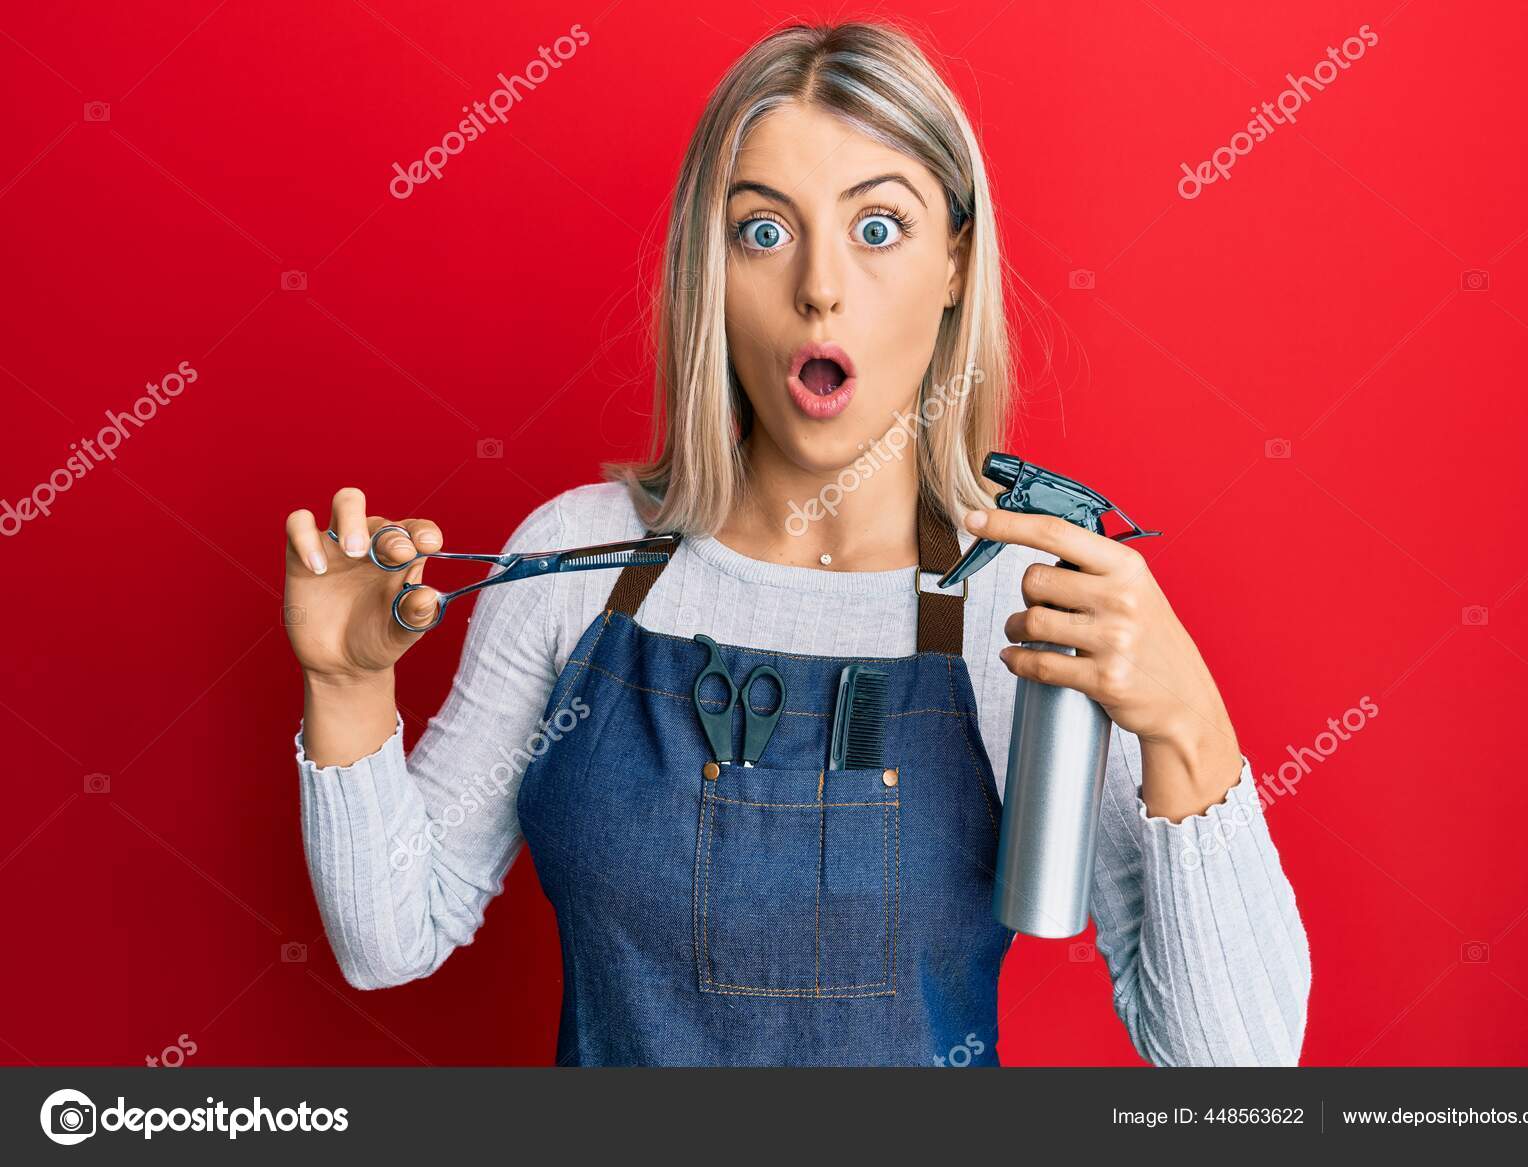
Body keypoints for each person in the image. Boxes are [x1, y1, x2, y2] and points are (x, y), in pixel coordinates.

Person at [284, 21, 1310, 1067]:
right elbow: (390, 942)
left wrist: (1189, 723)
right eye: (763, 233)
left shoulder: (1032, 603)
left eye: (878, 228)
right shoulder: (572, 559)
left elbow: (1238, 1070)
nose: (819, 286)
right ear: (708, 271)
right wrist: (346, 687)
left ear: (954, 264)